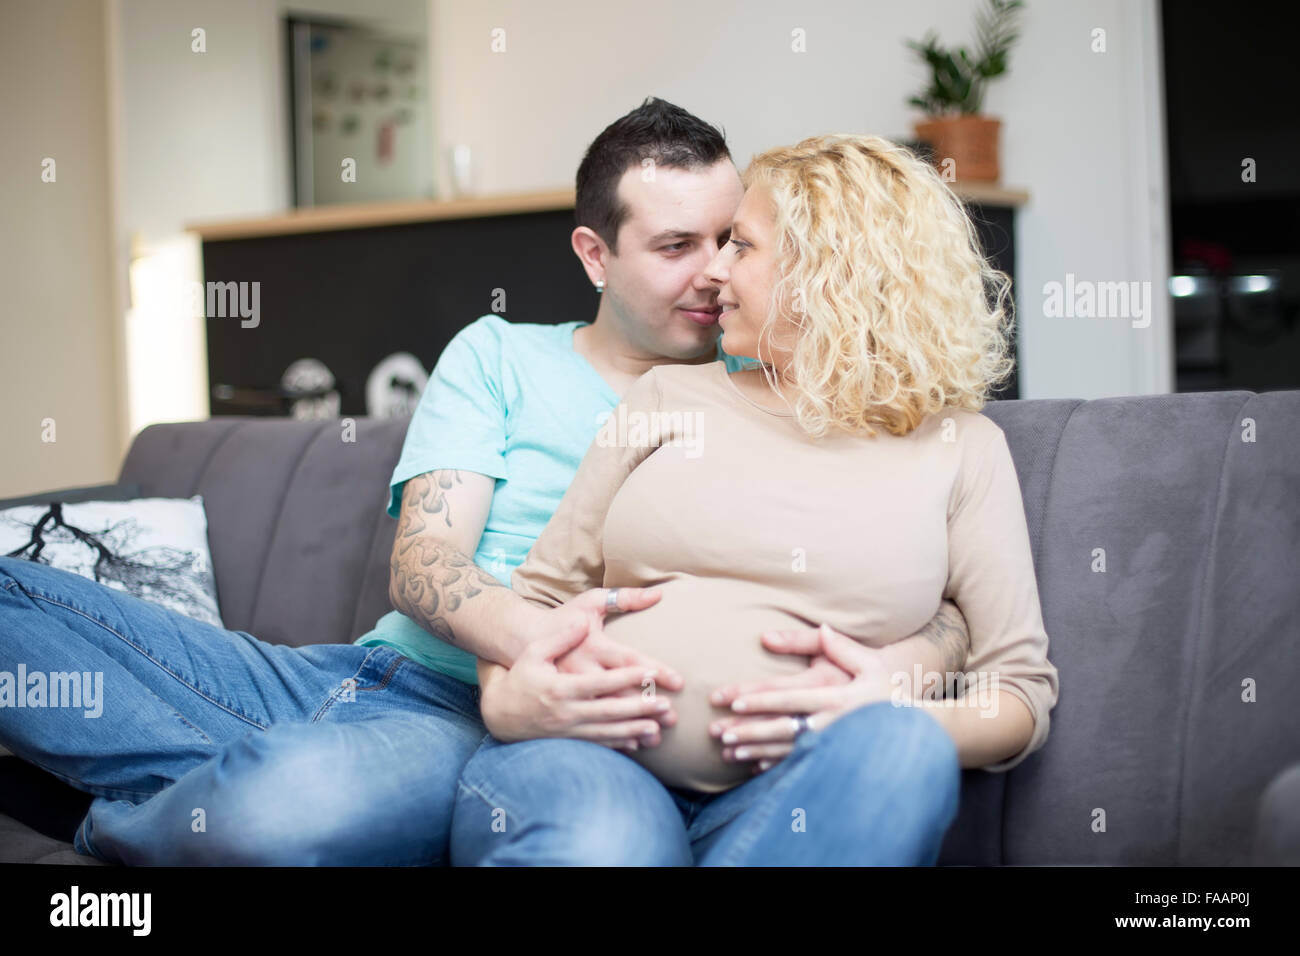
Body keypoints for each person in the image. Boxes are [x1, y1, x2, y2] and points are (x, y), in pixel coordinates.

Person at [0, 99, 968, 865]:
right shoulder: (500, 355)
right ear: (595, 253)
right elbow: (424, 561)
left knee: (282, 811)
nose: (714, 273)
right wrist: (538, 640)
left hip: (502, 740)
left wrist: (916, 652)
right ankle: (201, 774)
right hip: (390, 678)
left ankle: (107, 827)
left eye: (730, 239)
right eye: (676, 247)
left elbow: (905, 548)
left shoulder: (767, 379)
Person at [449, 132, 1060, 865]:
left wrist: (885, 702)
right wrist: (509, 700)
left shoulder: (962, 446)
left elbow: (1019, 694)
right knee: (609, 845)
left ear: (826, 272)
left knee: (905, 750)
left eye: (740, 245)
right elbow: (540, 596)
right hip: (591, 761)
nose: (714, 270)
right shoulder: (666, 396)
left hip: (797, 793)